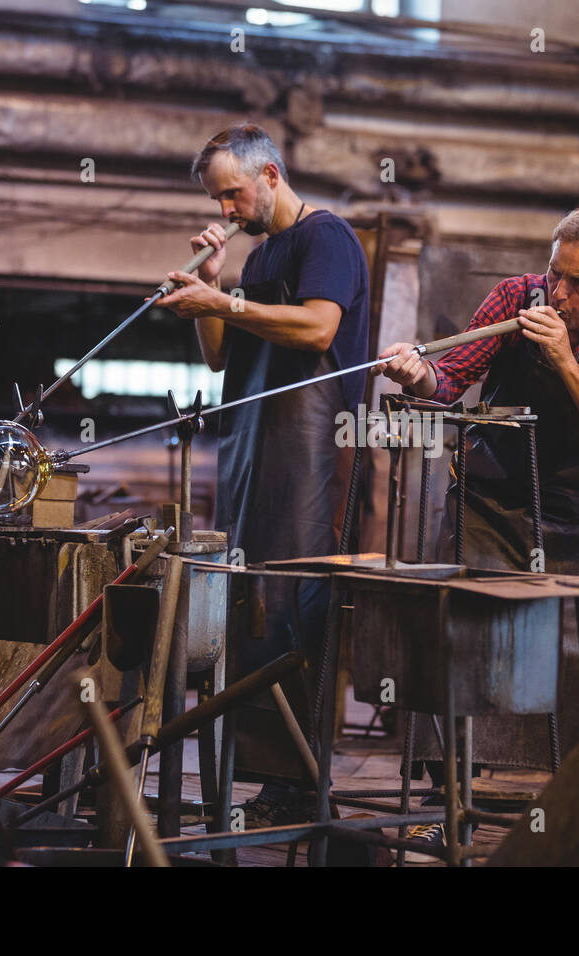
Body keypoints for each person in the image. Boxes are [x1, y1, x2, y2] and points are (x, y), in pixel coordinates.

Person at [377, 204, 579, 856]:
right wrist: (416, 371)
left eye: (578, 285)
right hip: (490, 507)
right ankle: (447, 805)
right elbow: (449, 377)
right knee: (458, 652)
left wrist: (564, 360)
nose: (557, 293)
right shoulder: (516, 300)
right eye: (554, 273)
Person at [154, 124, 370, 824]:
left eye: (233, 193)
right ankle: (273, 778)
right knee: (253, 613)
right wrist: (212, 290)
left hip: (311, 449)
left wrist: (223, 303)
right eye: (218, 199)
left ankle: (308, 780)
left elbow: (317, 331)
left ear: (271, 175)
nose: (225, 211)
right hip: (251, 449)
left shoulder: (327, 238)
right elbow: (221, 361)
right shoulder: (260, 255)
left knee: (297, 613)